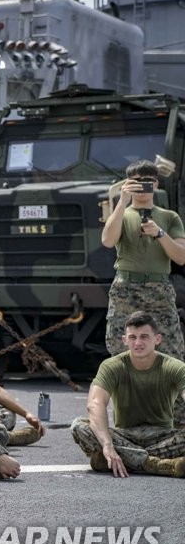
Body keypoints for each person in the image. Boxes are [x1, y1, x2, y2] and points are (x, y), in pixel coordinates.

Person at [101, 159, 185, 426]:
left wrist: (159, 233)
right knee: (119, 348)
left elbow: (181, 257)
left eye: (147, 181)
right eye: (136, 182)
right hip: (126, 287)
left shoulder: (169, 217)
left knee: (171, 350)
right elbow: (108, 240)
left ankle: (177, 421)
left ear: (156, 184)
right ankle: (128, 417)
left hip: (159, 287)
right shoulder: (122, 214)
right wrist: (121, 202)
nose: (142, 187)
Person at [71, 311, 185, 478]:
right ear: (125, 340)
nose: (138, 343)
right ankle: (155, 464)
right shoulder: (111, 366)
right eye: (132, 337)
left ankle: (116, 461)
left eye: (144, 337)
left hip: (162, 436)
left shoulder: (175, 367)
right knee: (79, 425)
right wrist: (108, 445)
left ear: (157, 339)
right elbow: (95, 404)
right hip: (124, 435)